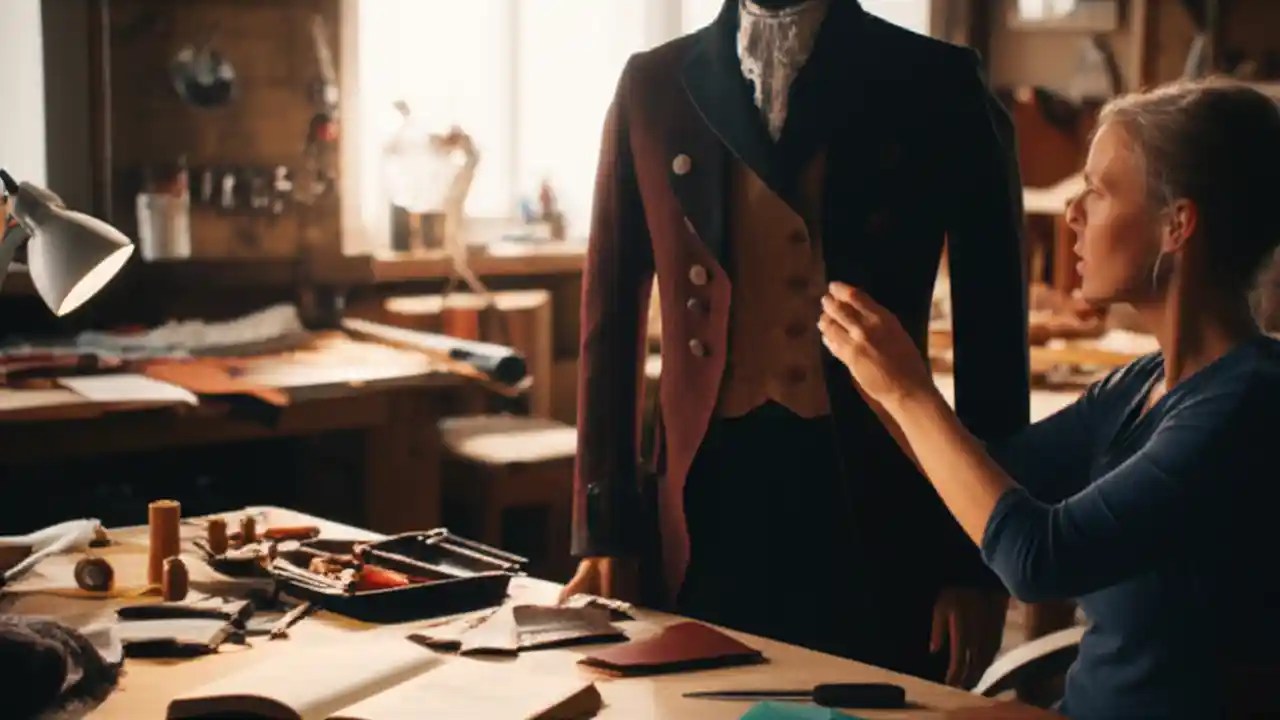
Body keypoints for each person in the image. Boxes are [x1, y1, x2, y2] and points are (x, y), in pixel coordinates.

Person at [564, 0, 1029, 686]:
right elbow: (608, 324)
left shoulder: (936, 81)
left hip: (873, 494)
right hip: (704, 498)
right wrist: (606, 531)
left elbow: (993, 333)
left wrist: (978, 563)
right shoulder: (652, 84)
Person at [818, 77, 1280, 718]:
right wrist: (869, 369)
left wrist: (907, 389)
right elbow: (993, 470)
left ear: (1177, 225)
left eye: (1098, 191)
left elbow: (1038, 558)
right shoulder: (1143, 383)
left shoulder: (1246, 405)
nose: (1072, 214)